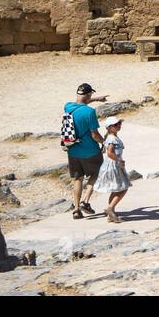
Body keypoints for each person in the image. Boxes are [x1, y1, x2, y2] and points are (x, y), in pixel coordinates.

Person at [63, 82, 107, 220]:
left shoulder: (68, 107)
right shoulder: (89, 112)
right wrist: (104, 142)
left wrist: (95, 98)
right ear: (88, 95)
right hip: (90, 151)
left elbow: (82, 100)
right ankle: (86, 201)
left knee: (78, 178)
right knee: (97, 172)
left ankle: (76, 210)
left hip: (73, 150)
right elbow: (94, 134)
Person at [94, 115, 132, 223]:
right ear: (110, 127)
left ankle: (111, 214)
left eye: (119, 123)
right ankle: (110, 208)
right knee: (123, 188)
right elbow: (109, 153)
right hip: (113, 165)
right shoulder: (111, 138)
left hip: (112, 164)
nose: (119, 126)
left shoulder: (111, 137)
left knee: (115, 189)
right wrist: (119, 160)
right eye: (116, 124)